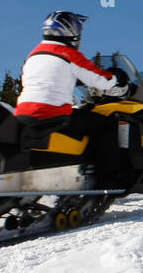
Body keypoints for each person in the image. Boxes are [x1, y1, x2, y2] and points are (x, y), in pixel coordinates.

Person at [15, 11, 129, 177]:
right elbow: (101, 80)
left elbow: (48, 79)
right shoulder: (68, 54)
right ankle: (109, 178)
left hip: (23, 113)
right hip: (52, 112)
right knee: (108, 125)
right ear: (71, 32)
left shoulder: (34, 54)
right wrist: (117, 77)